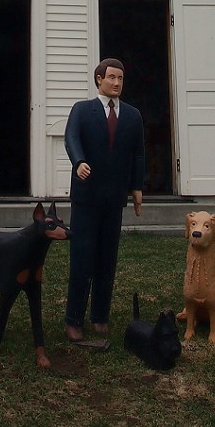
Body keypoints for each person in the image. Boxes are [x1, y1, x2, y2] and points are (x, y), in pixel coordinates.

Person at [64, 57, 145, 342]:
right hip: (86, 197)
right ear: (99, 79)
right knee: (82, 257)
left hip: (114, 197)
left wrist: (136, 187)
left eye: (120, 79)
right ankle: (73, 318)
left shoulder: (133, 116)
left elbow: (137, 153)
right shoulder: (82, 110)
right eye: (111, 77)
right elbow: (71, 137)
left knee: (107, 259)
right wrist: (78, 161)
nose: (116, 83)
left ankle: (100, 315)